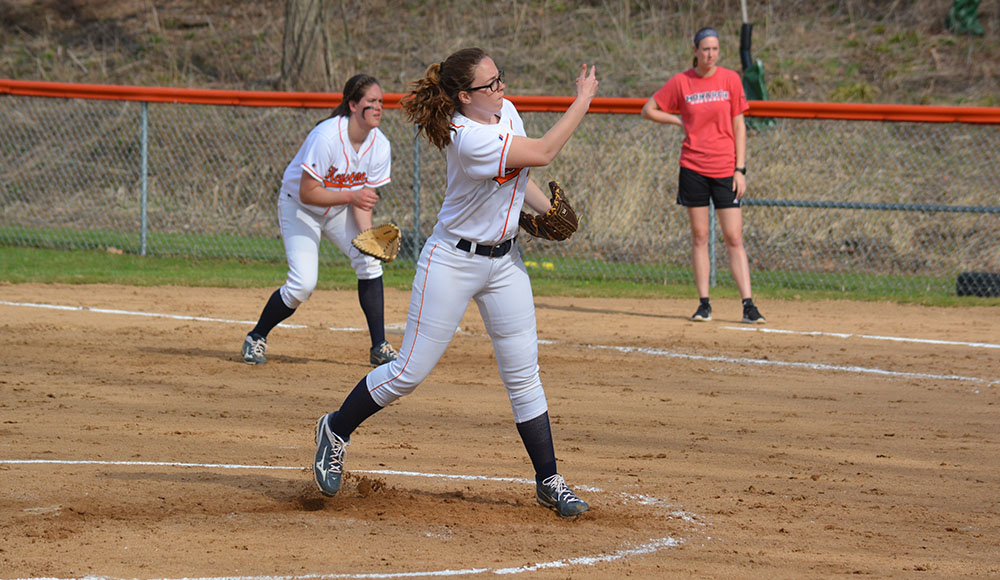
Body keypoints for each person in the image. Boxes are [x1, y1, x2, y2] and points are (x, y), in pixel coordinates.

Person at [312, 48, 599, 519]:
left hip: (504, 264)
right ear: (465, 97)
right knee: (408, 372)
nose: (501, 88)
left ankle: (549, 480)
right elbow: (544, 152)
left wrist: (542, 210)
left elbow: (520, 173)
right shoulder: (466, 137)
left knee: (524, 374)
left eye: (500, 78)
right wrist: (583, 99)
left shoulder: (505, 112)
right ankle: (336, 429)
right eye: (490, 84)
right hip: (453, 261)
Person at [242, 74, 399, 367]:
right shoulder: (327, 137)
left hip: (339, 210)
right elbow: (308, 192)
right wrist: (351, 197)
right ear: (353, 105)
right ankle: (256, 336)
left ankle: (379, 345)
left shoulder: (380, 145)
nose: (379, 107)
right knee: (302, 284)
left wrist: (368, 238)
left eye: (381, 101)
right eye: (371, 102)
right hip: (299, 208)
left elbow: (363, 200)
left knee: (369, 263)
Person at [641, 27, 766, 324]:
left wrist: (740, 169)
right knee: (699, 236)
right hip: (693, 167)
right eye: (705, 49)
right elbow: (648, 109)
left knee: (733, 237)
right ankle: (704, 303)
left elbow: (739, 127)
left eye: (715, 49)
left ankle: (748, 305)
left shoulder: (730, 79)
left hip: (725, 168)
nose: (710, 54)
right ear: (695, 50)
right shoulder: (682, 82)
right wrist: (676, 120)